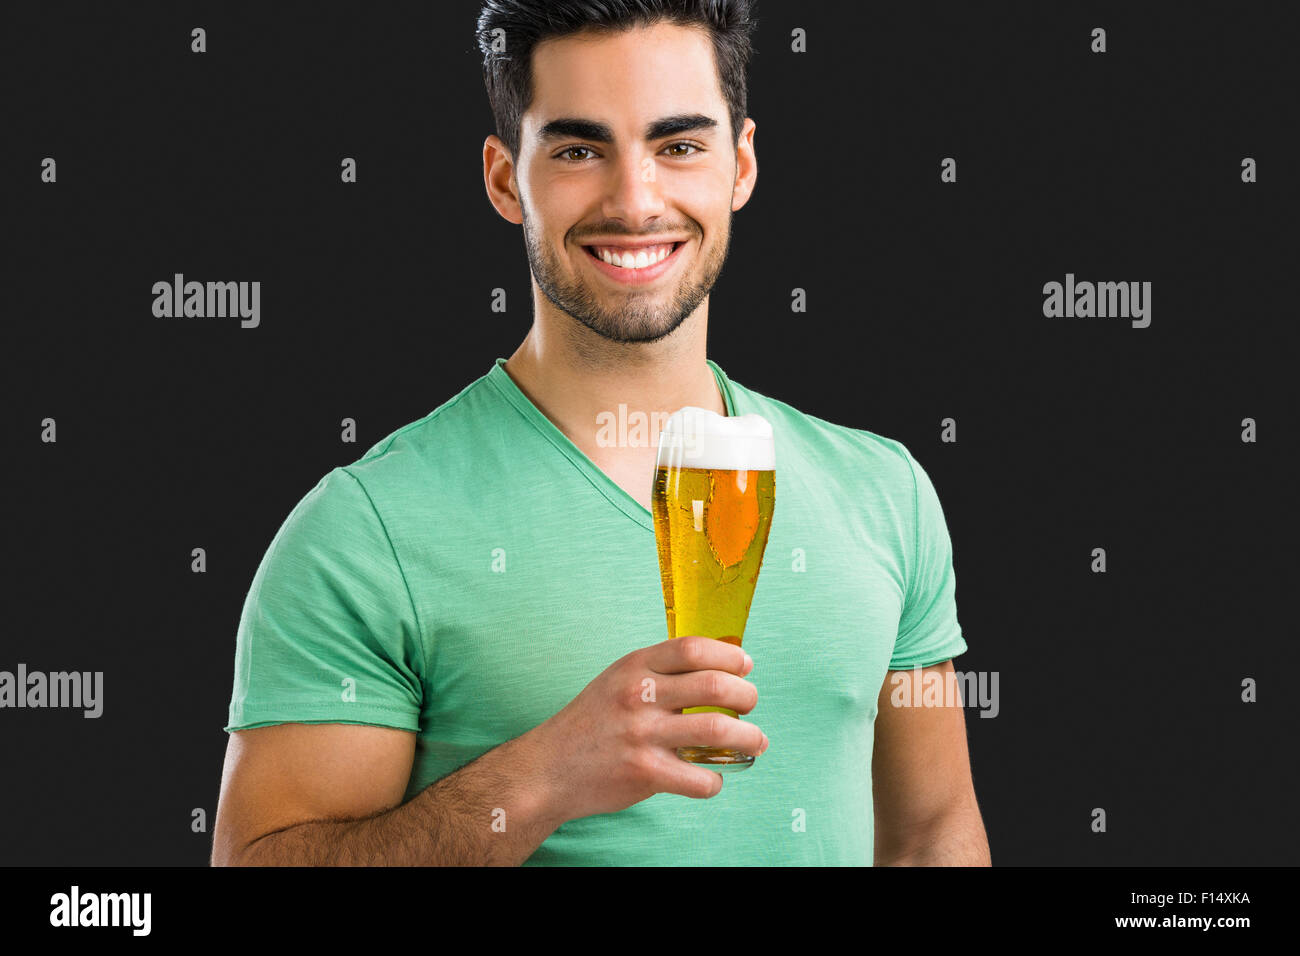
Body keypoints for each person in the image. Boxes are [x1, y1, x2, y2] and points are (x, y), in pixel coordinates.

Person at [212, 0, 990, 866]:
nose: (635, 199)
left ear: (740, 165)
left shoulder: (888, 494)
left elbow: (932, 836)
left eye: (679, 146)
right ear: (507, 180)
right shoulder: (363, 532)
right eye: (580, 150)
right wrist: (543, 777)